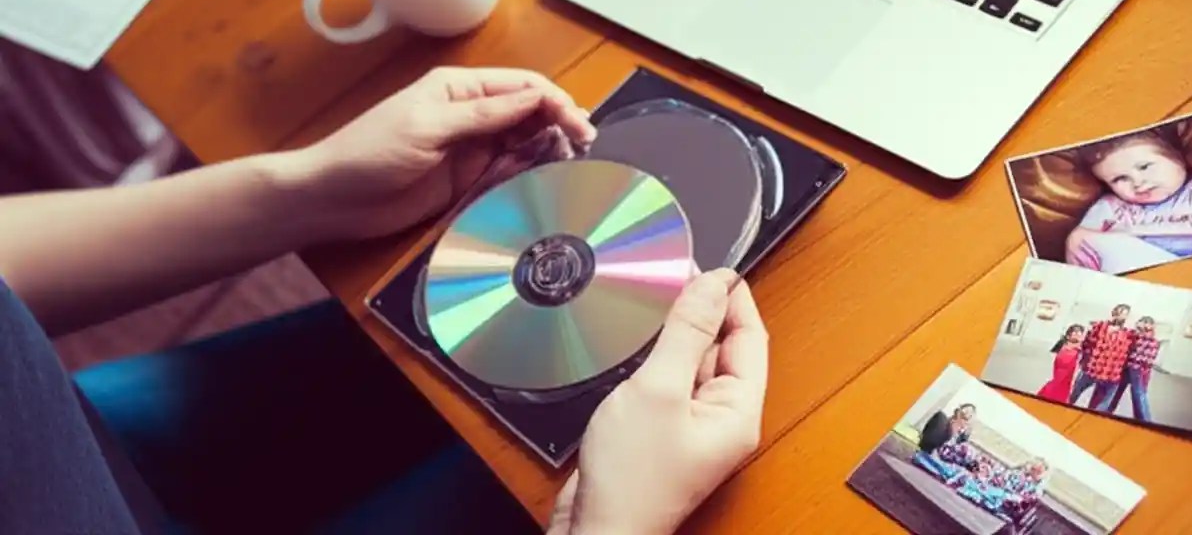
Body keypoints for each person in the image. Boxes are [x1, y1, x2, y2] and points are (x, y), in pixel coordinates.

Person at [0, 66, 770, 534]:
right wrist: (609, 528)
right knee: (522, 466)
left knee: (433, 352)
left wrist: (310, 190)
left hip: (62, 435)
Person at [1064, 131, 1192, 273]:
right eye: (1120, 179)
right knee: (1082, 239)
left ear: (1177, 158)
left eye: (1145, 166)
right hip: (1148, 279)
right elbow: (1082, 243)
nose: (1138, 183)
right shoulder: (1114, 206)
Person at [1069, 305, 1133, 409]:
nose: (1121, 316)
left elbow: (1128, 352)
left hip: (1110, 373)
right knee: (1075, 392)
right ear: (1114, 313)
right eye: (1119, 312)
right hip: (1092, 368)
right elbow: (1087, 343)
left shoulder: (1128, 334)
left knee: (1102, 403)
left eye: (1125, 314)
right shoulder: (1099, 326)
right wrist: (1085, 361)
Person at [1100, 315, 1160, 420]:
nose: (1143, 326)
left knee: (1139, 394)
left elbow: (1146, 360)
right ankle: (1107, 411)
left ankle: (1145, 420)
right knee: (1117, 390)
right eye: (1142, 322)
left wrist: (1130, 356)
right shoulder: (1134, 335)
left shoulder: (1151, 340)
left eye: (1147, 323)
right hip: (1126, 367)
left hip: (1138, 370)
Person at [1037, 324, 1084, 403]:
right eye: (1076, 333)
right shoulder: (1068, 351)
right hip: (1060, 386)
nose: (1078, 334)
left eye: (1080, 333)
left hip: (1064, 387)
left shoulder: (1075, 350)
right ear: (1068, 336)